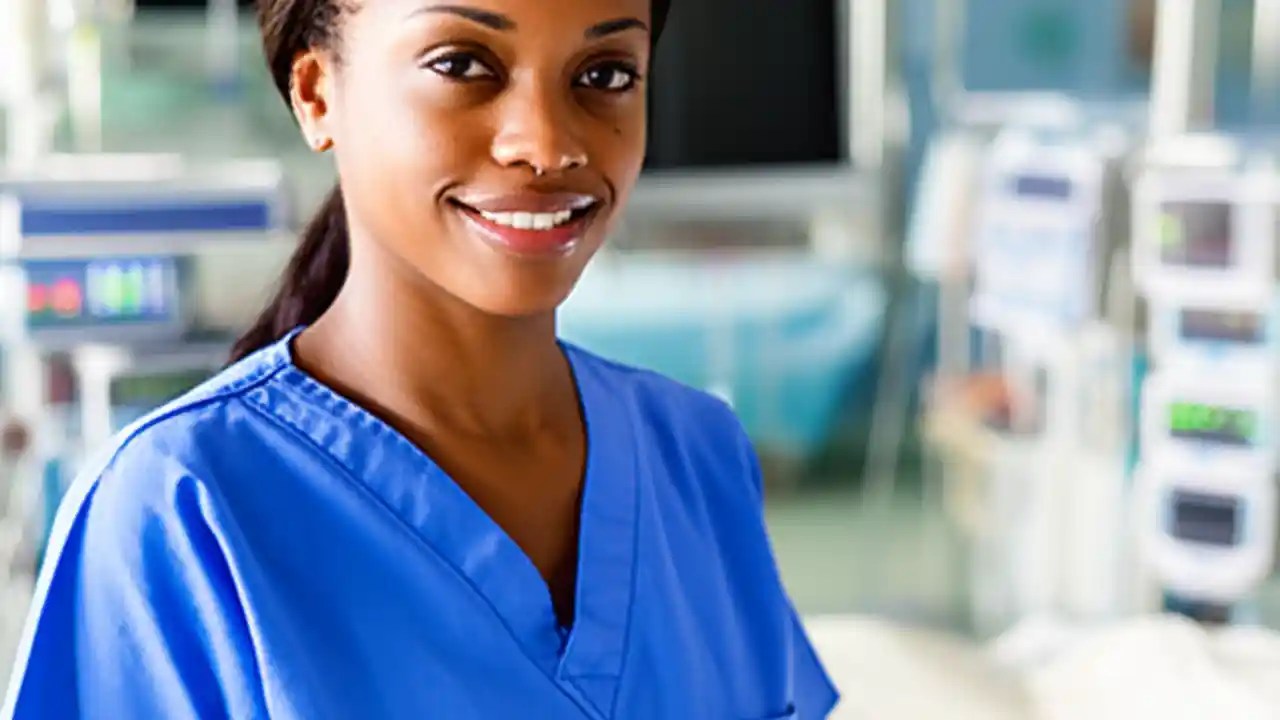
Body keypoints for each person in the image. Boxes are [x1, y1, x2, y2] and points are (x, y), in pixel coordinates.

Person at [3, 0, 839, 717]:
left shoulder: (698, 457)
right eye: (463, 63)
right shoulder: (180, 510)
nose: (546, 144)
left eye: (606, 75)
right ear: (316, 93)